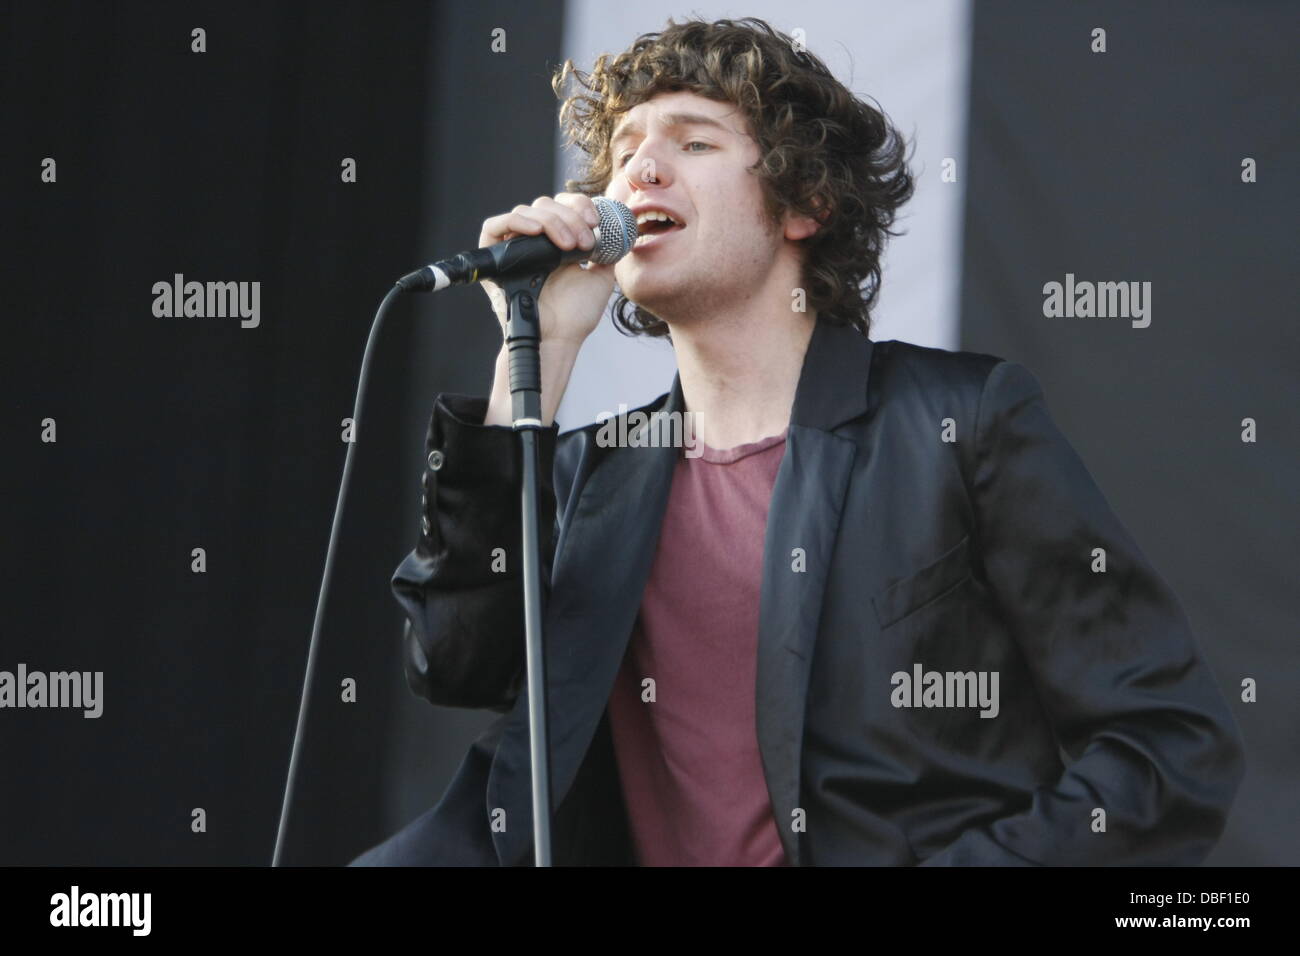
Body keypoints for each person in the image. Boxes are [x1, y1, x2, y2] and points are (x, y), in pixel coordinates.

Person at [350, 16, 1244, 866]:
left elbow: (1166, 743)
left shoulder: (958, 424)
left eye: (693, 143)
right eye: (623, 154)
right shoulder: (589, 475)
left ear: (805, 201)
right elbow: (457, 659)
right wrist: (530, 359)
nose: (640, 172)